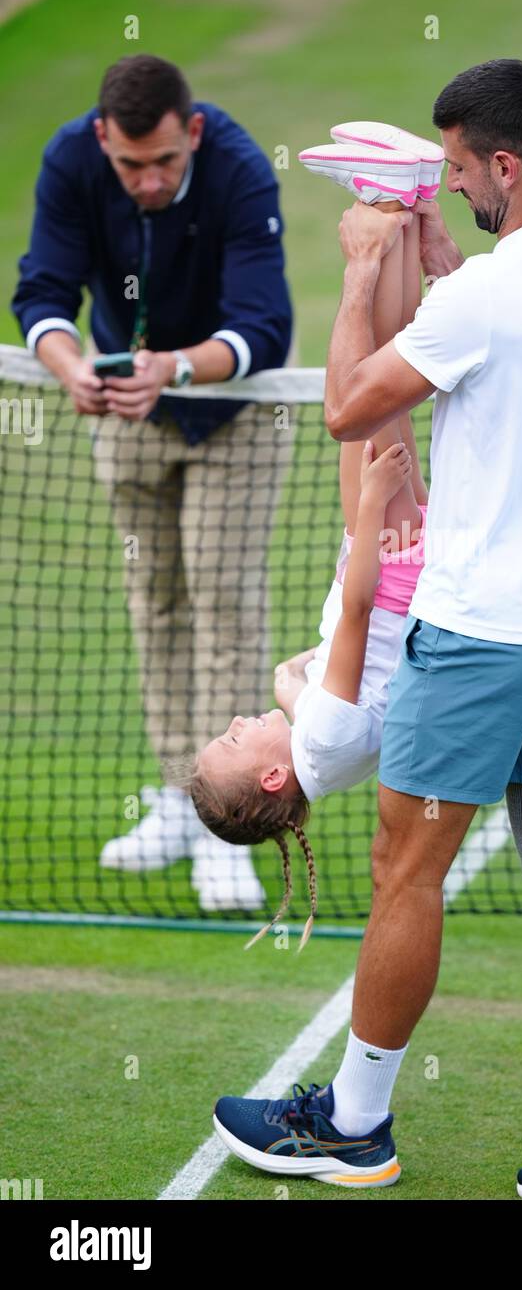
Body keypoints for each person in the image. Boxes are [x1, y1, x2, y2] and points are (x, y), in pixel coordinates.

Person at [212, 61, 522, 1200]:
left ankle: (354, 1124)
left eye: (459, 169)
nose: (453, 185)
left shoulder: (480, 300)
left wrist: (367, 261)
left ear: (503, 165)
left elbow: (345, 409)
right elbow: (485, 315)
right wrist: (434, 258)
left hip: (476, 638)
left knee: (403, 870)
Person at [11, 53, 294, 911]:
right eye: (130, 164)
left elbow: (264, 330)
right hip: (128, 417)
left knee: (222, 601)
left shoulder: (239, 170)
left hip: (229, 414)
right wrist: (70, 369)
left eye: (164, 162)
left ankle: (229, 824)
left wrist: (170, 366)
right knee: (158, 603)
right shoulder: (71, 161)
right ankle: (180, 798)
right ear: (103, 139)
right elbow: (42, 294)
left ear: (192, 133)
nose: (148, 180)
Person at [183, 130, 436, 953]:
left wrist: (290, 687)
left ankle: (400, 205)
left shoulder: (319, 754)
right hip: (388, 568)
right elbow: (355, 616)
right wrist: (371, 505)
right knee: (367, 392)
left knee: (377, 390)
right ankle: (388, 211)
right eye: (232, 739)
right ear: (268, 775)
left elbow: (308, 677)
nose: (233, 719)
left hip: (384, 563)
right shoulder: (320, 744)